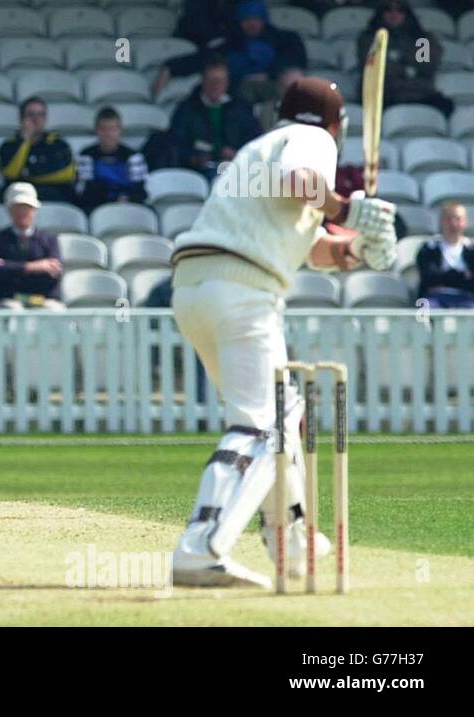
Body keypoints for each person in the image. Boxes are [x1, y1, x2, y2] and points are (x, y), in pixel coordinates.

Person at [169, 78, 398, 587]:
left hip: (197, 289)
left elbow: (314, 244)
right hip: (242, 291)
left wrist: (357, 249)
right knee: (262, 425)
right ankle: (199, 547)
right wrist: (347, 209)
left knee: (281, 415)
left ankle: (293, 545)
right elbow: (303, 182)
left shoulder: (258, 150)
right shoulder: (311, 141)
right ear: (337, 127)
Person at [168, 56, 261, 180]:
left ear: (227, 83)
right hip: (199, 170)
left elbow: (255, 138)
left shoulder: (241, 108)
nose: (215, 85)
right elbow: (177, 142)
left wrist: (236, 153)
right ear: (203, 81)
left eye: (220, 81)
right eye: (211, 80)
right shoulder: (187, 109)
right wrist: (195, 158)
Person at [358, 0, 453, 116]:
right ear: (381, 14)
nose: (394, 14)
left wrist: (399, 60)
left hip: (421, 94)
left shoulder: (422, 39)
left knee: (446, 106)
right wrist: (409, 67)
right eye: (388, 10)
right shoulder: (369, 39)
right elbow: (379, 69)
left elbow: (427, 66)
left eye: (400, 10)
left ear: (407, 14)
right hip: (385, 95)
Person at [0, 183, 64, 309]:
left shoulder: (49, 239)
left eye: (27, 207)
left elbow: (54, 273)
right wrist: (33, 267)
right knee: (13, 308)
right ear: (9, 210)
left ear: (35, 210)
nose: (22, 212)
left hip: (42, 299)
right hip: (8, 299)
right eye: (17, 207)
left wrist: (9, 266)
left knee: (52, 309)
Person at [225, 1, 308, 106]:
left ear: (264, 19)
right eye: (247, 19)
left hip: (275, 83)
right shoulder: (231, 43)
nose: (252, 24)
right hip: (240, 88)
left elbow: (295, 59)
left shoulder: (284, 39)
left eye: (256, 19)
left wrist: (270, 74)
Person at [0, 97, 77, 204]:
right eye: (30, 115)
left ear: (45, 118)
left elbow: (67, 174)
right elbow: (11, 173)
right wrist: (25, 141)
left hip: (54, 196)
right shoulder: (8, 145)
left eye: (41, 114)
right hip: (20, 198)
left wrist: (28, 175)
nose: (36, 119)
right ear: (21, 119)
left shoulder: (59, 144)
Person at [76, 107, 148, 211]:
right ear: (96, 130)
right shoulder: (86, 156)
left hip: (130, 205)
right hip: (97, 207)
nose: (108, 134)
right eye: (103, 129)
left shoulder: (134, 157)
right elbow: (84, 191)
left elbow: (141, 190)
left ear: (120, 130)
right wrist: (113, 200)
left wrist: (127, 199)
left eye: (112, 129)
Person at [417, 203, 474, 308]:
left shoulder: (471, 250)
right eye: (448, 219)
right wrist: (463, 276)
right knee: (426, 309)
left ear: (465, 222)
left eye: (458, 219)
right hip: (434, 297)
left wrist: (444, 278)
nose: (453, 224)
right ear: (441, 222)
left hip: (467, 298)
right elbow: (428, 278)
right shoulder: (429, 248)